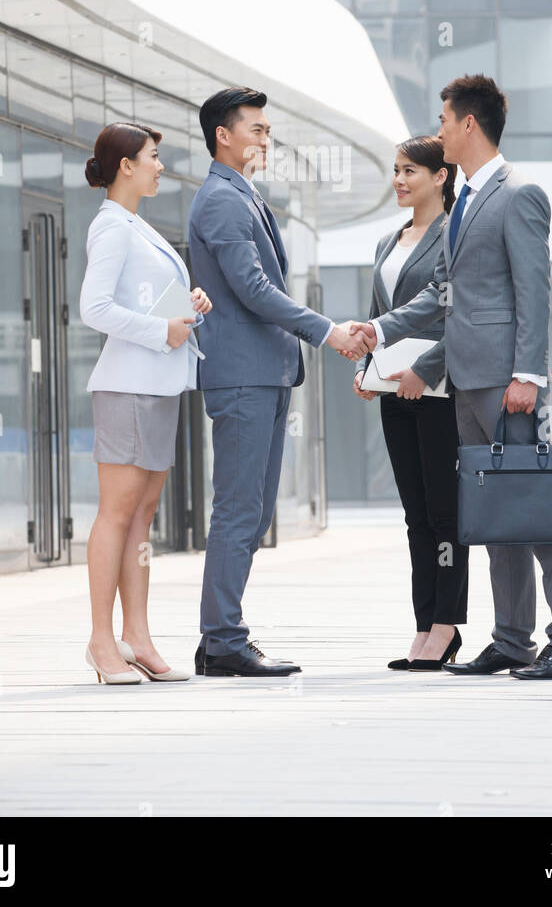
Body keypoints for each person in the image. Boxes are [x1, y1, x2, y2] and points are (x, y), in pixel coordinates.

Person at [349, 75, 552, 681]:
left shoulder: (519, 194)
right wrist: (378, 331)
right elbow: (443, 295)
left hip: (507, 385)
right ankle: (512, 639)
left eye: (442, 120)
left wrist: (528, 374)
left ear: (468, 124)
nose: (438, 130)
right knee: (495, 516)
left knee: (537, 512)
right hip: (464, 382)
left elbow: (534, 291)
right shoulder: (464, 205)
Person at [188, 87, 363, 677]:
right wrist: (327, 331)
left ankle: (221, 636)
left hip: (262, 374)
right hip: (243, 377)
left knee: (254, 512)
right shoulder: (221, 199)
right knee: (239, 510)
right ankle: (222, 640)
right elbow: (255, 290)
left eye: (268, 130)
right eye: (257, 130)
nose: (267, 139)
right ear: (224, 136)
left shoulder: (242, 194)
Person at [79, 122, 212, 685]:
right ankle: (101, 641)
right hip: (129, 387)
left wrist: (186, 305)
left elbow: (140, 301)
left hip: (157, 387)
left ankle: (137, 636)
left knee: (142, 515)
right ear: (126, 166)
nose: (161, 166)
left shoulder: (136, 225)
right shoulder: (112, 227)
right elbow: (94, 308)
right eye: (153, 156)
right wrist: (162, 329)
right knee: (117, 513)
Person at [353, 137, 468, 672]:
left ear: (440, 176)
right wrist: (365, 368)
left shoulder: (455, 234)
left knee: (445, 512)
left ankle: (447, 624)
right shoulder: (387, 241)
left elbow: (457, 313)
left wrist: (428, 368)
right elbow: (378, 310)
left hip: (438, 389)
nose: (399, 180)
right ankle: (424, 624)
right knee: (415, 514)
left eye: (410, 171)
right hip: (392, 390)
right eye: (396, 170)